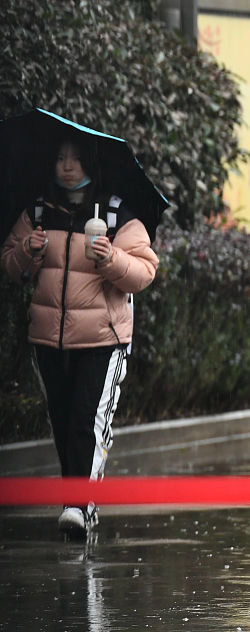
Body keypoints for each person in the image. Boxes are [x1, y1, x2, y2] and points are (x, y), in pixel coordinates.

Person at [1, 136, 159, 538]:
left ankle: (80, 506)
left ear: (91, 164)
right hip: (49, 338)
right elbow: (12, 266)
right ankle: (75, 504)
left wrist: (111, 258)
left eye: (75, 159)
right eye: (60, 158)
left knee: (86, 421)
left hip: (103, 339)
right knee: (63, 420)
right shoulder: (39, 212)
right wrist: (28, 249)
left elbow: (144, 272)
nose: (67, 166)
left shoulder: (116, 213)